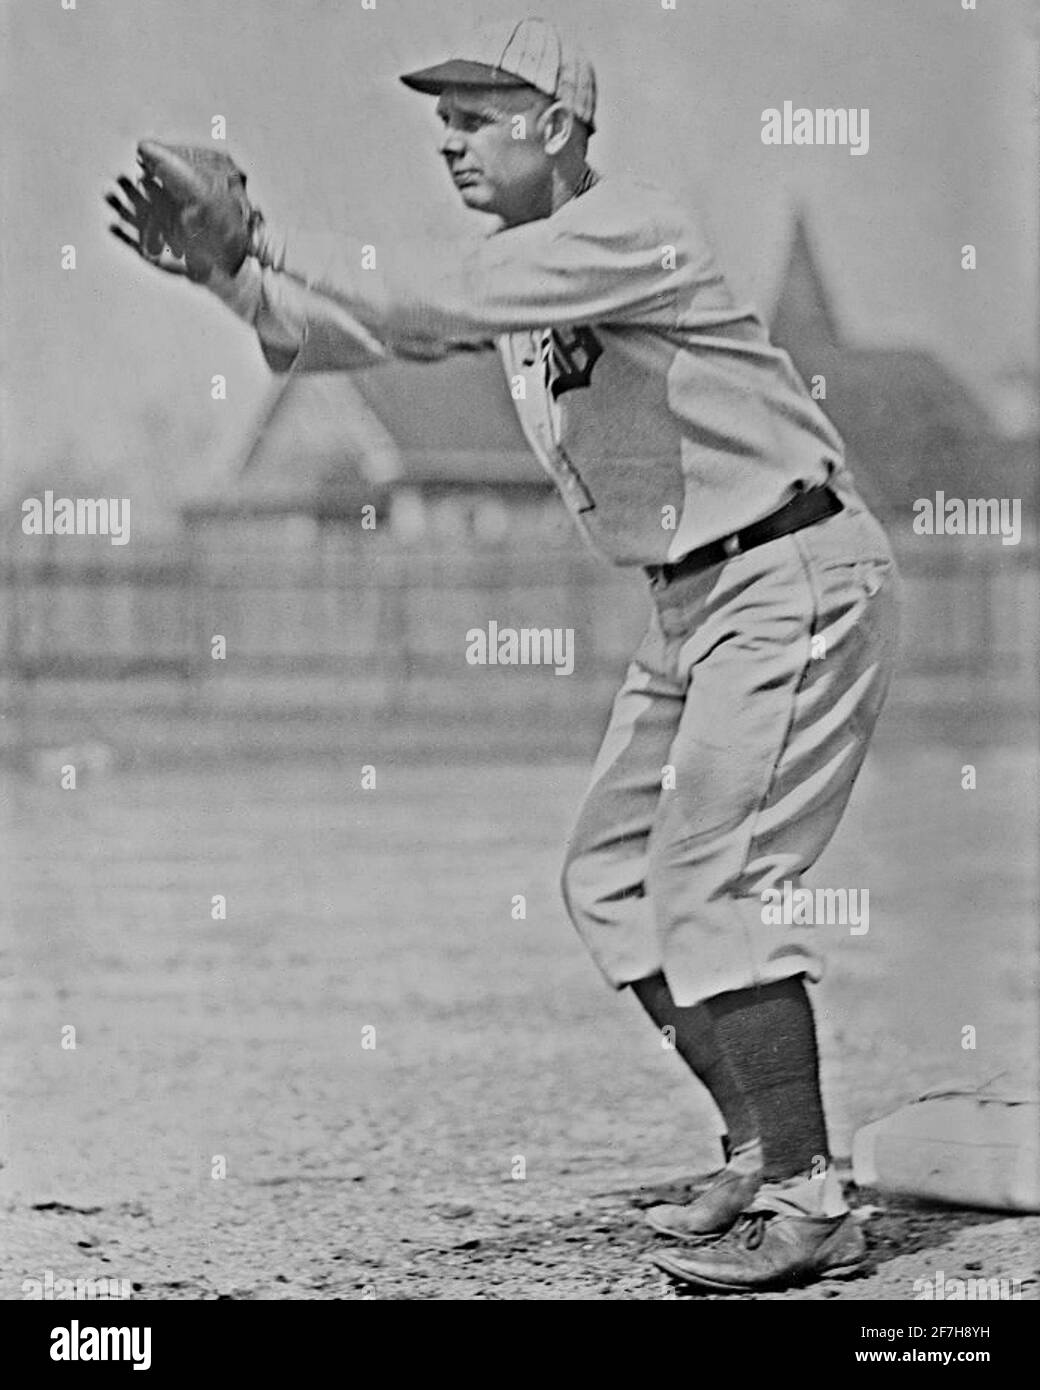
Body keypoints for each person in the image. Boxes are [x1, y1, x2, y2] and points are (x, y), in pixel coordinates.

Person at [108, 16, 900, 1292]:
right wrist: (225, 277)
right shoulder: (527, 279)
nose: (454, 144)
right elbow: (335, 339)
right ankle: (759, 1148)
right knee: (605, 877)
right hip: (692, 599)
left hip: (789, 566)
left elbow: (435, 295)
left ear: (563, 127)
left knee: (713, 877)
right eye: (445, 125)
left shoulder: (627, 227)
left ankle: (814, 1201)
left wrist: (262, 233)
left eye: (482, 119)